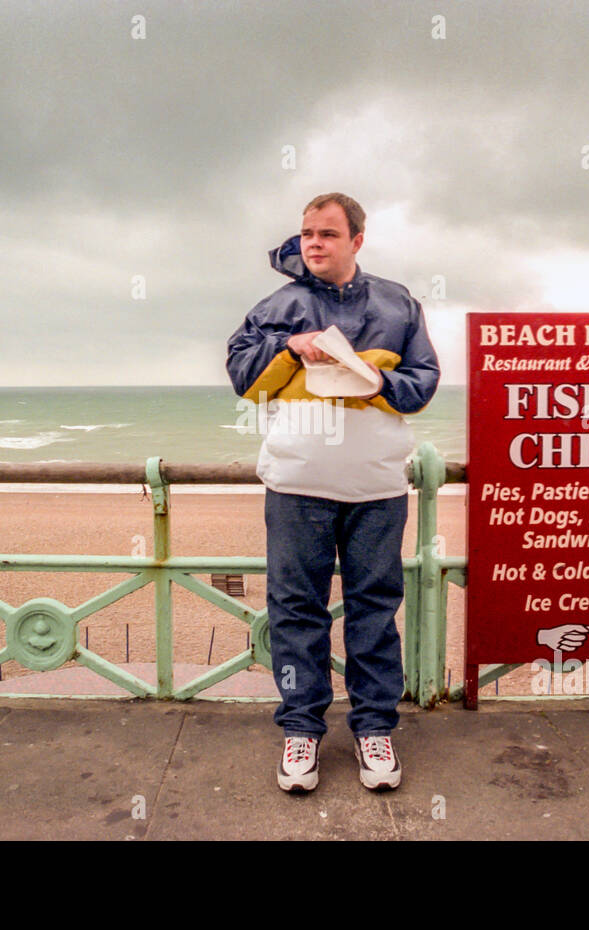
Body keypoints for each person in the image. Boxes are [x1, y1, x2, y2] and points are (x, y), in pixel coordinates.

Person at [225, 193, 440, 792]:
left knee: (374, 611)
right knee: (296, 611)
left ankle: (375, 730)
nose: (312, 244)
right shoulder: (279, 304)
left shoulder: (399, 304)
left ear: (356, 240)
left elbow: (423, 382)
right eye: (305, 234)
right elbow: (242, 375)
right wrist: (289, 345)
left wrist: (375, 379)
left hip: (376, 488)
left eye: (326, 233)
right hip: (295, 486)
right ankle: (301, 731)